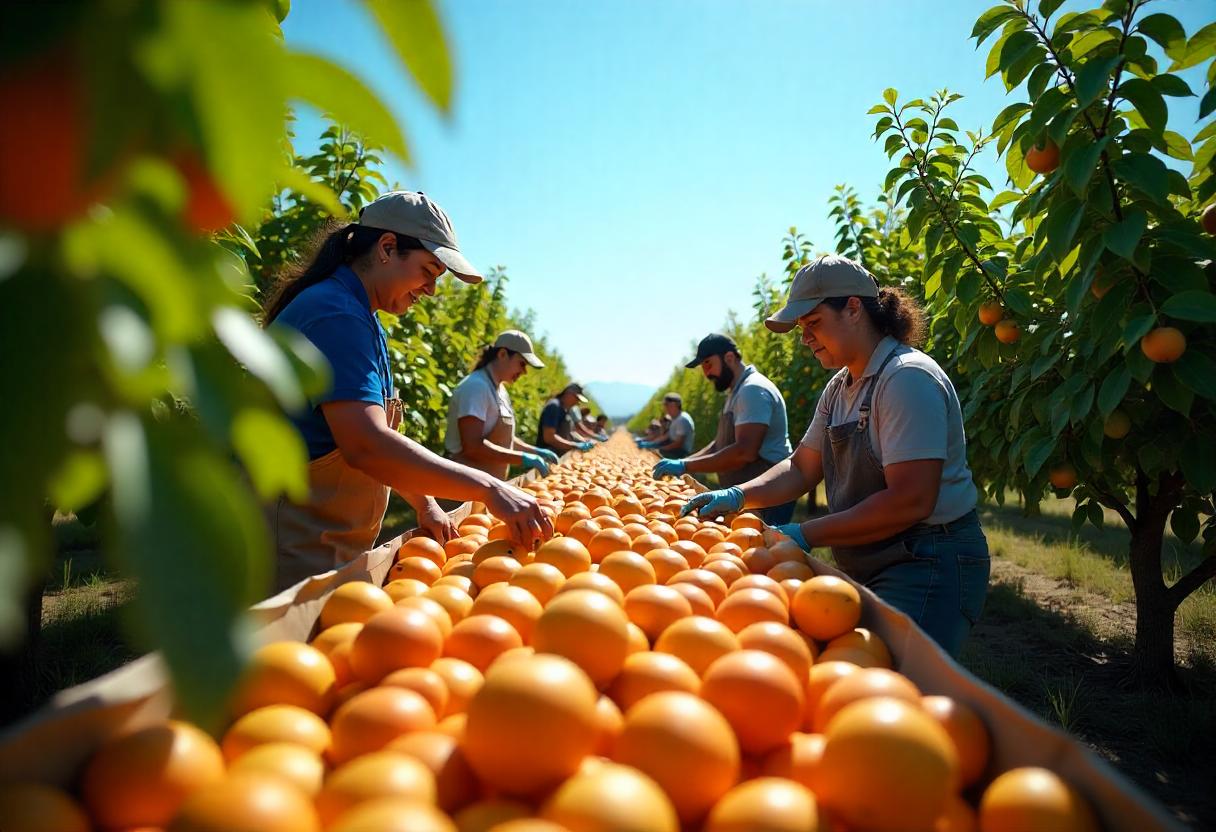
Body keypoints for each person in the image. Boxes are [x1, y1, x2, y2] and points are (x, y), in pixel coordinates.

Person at [681, 255, 989, 656]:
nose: (805, 338)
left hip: (928, 559)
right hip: (875, 552)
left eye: (813, 324)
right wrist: (739, 496)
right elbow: (802, 466)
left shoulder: (905, 379)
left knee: (892, 686)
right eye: (801, 330)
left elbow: (911, 499)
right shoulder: (840, 387)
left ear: (854, 308)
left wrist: (805, 533)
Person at [264, 190, 552, 591]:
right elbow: (365, 444)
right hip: (289, 542)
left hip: (321, 536)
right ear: (387, 247)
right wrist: (489, 488)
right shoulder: (337, 316)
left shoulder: (361, 318)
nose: (432, 289)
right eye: (429, 271)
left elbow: (379, 436)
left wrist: (425, 503)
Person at [653, 334, 796, 525]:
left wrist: (686, 466)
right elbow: (719, 445)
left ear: (729, 358)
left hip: (769, 494)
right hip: (749, 491)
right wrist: (684, 462)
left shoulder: (752, 390)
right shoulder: (736, 392)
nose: (706, 373)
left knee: (765, 551)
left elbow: (744, 452)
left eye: (708, 364)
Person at [444, 329, 559, 479]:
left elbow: (504, 441)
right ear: (502, 354)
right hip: (461, 485)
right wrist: (522, 459)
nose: (524, 372)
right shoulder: (476, 387)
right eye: (522, 364)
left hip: (484, 485)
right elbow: (472, 447)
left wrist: (535, 452)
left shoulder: (500, 390)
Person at [536, 384, 595, 455]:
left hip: (558, 453)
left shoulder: (565, 409)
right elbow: (549, 438)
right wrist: (574, 445)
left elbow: (568, 432)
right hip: (548, 455)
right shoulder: (554, 407)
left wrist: (581, 441)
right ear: (568, 394)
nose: (577, 403)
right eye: (576, 398)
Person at [638, 392, 694, 458]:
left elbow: (678, 443)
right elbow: (667, 435)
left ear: (674, 405)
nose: (665, 408)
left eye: (666, 405)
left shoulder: (682, 420)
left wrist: (660, 449)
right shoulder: (675, 418)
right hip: (674, 447)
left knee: (654, 454)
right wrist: (653, 443)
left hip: (681, 452)